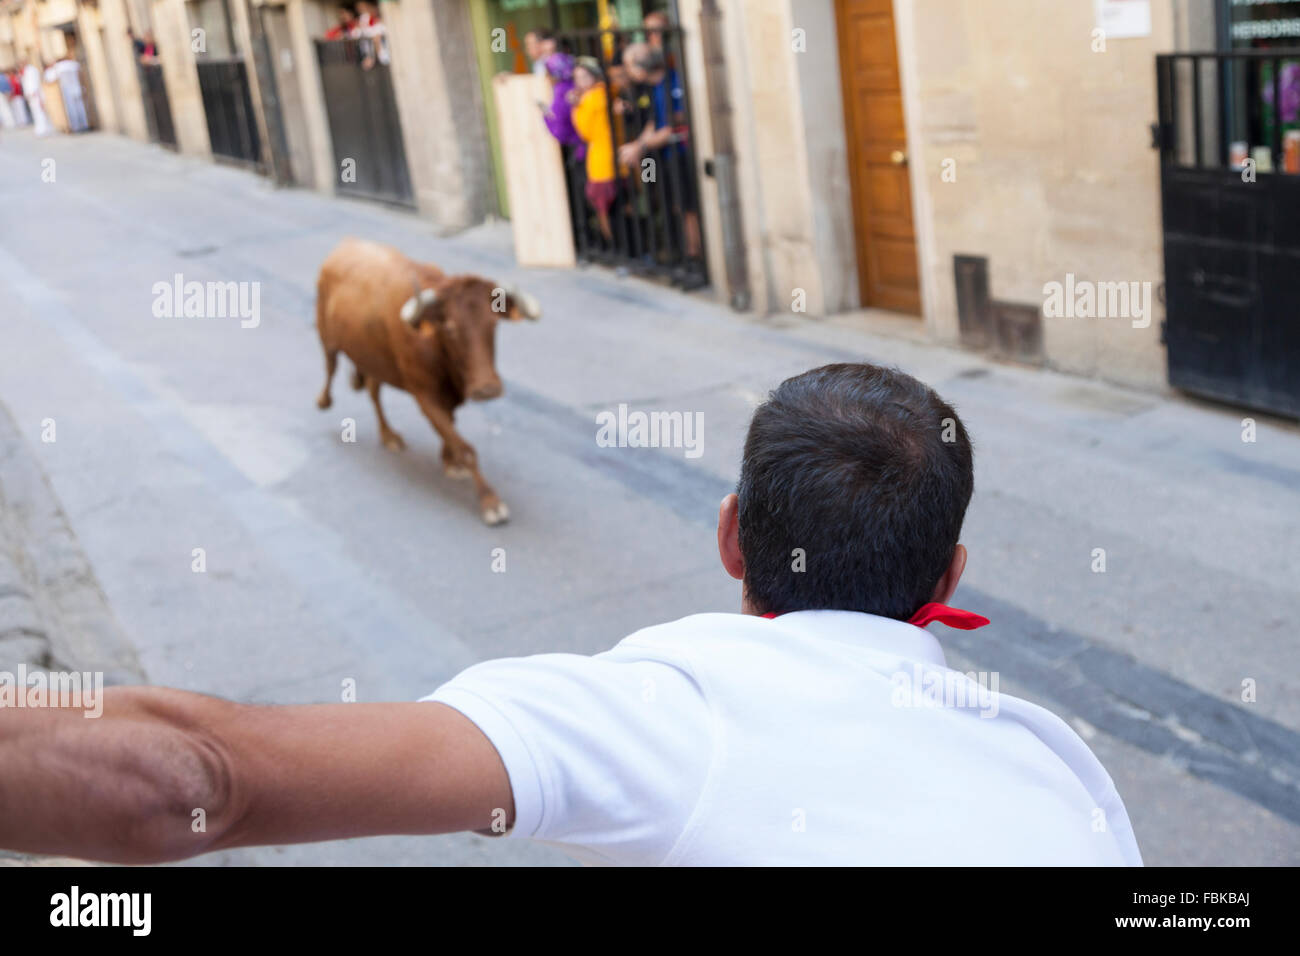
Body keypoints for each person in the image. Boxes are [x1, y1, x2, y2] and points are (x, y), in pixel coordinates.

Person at [0, 363, 1143, 866]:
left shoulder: (670, 715)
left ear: (732, 534)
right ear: (948, 576)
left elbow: (190, 780)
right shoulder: (1059, 769)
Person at [617, 42, 701, 262]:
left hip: (678, 154)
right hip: (658, 158)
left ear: (642, 67)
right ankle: (675, 250)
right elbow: (653, 123)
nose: (627, 71)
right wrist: (637, 146)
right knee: (670, 202)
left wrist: (640, 146)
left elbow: (673, 126)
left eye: (629, 65)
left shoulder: (672, 83)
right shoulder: (654, 88)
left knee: (686, 206)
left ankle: (693, 255)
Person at [570, 57, 616, 242]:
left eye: (584, 76)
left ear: (595, 76)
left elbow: (585, 132)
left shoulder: (590, 99)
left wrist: (575, 107)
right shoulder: (608, 91)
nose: (579, 82)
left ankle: (616, 246)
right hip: (611, 156)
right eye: (577, 77)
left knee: (603, 208)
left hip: (601, 161)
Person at [540, 52, 581, 150]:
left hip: (578, 147)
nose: (546, 77)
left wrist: (546, 116)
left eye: (548, 73)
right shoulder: (576, 85)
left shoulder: (561, 92)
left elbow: (561, 133)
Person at [21, 56, 52, 137]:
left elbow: (34, 82)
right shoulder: (26, 71)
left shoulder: (31, 70)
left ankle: (43, 128)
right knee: (36, 112)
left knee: (39, 111)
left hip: (35, 94)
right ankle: (40, 128)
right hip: (31, 95)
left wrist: (33, 92)